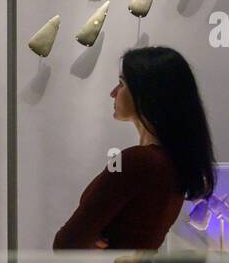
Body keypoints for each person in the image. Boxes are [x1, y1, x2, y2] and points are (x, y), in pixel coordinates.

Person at [53, 46, 216, 250]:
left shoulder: (137, 161)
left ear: (145, 93)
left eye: (121, 84)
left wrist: (97, 235)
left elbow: (66, 243)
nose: (113, 93)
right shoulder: (173, 162)